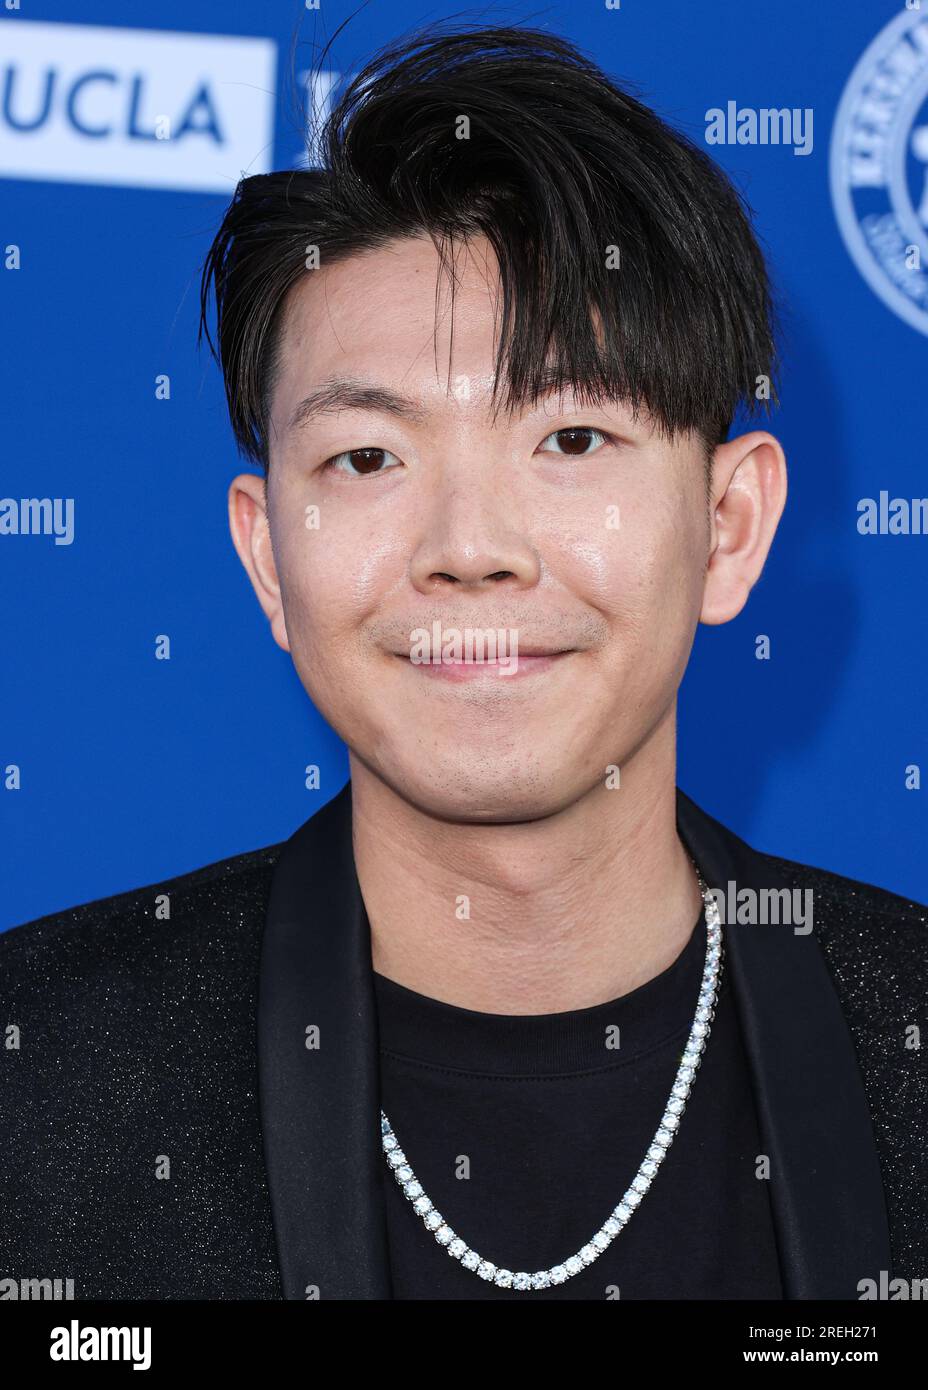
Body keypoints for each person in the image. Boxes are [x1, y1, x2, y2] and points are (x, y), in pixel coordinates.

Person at [2, 23, 925, 1302]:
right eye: (368, 458)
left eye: (574, 437)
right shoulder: (40, 1071)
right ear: (269, 560)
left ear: (728, 530)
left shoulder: (903, 1032)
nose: (470, 549)